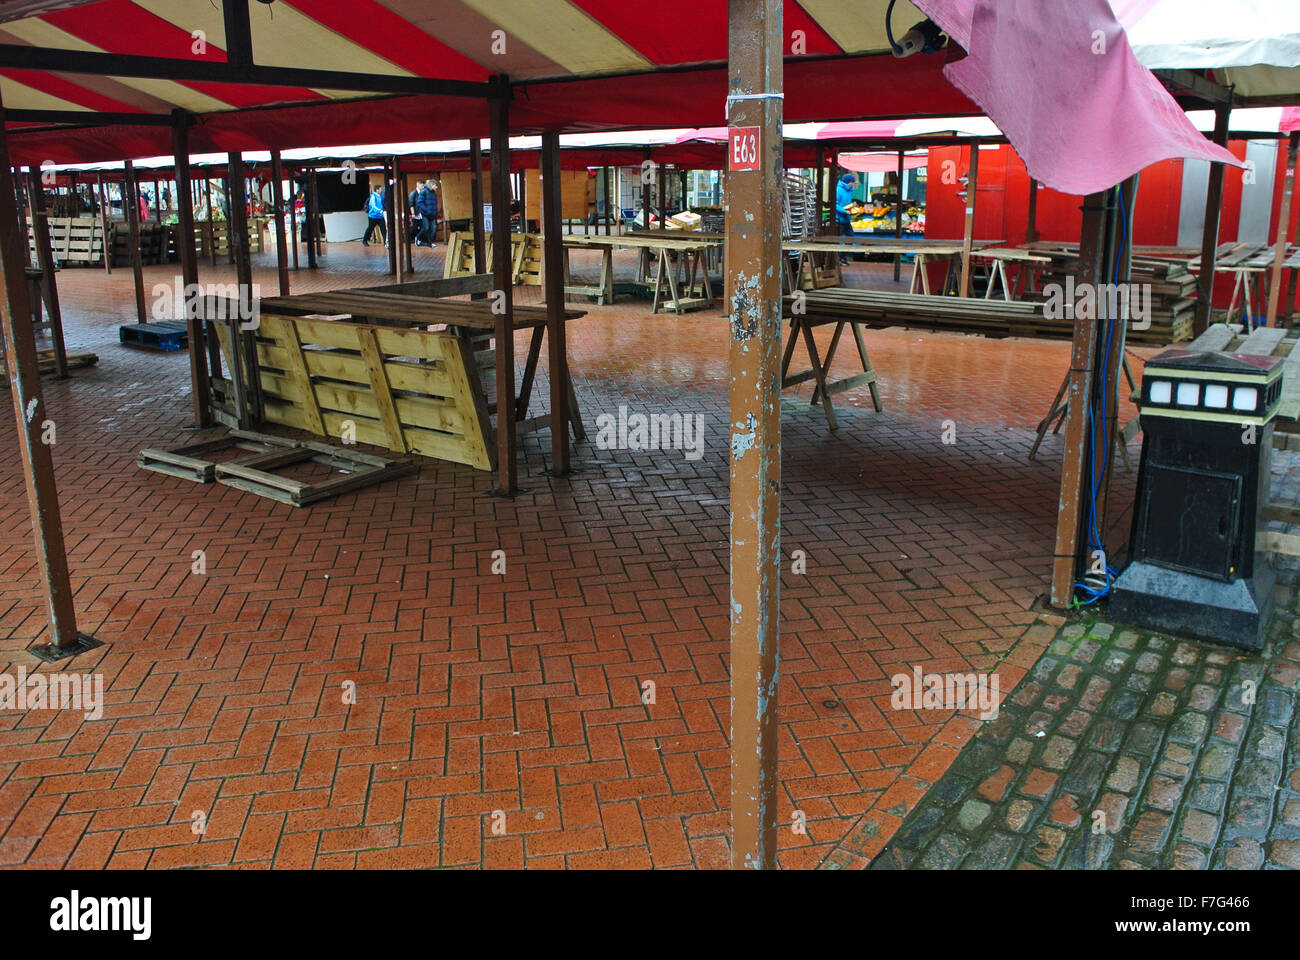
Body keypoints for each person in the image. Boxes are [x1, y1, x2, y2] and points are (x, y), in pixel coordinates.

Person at [835, 172, 858, 265]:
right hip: (839, 219)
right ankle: (837, 259)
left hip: (846, 219)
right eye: (853, 182)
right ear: (849, 182)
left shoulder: (849, 191)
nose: (854, 184)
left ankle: (841, 257)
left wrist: (852, 209)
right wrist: (845, 211)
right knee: (836, 241)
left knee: (850, 239)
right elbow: (835, 204)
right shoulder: (838, 190)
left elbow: (847, 204)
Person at [413, 179, 439, 246]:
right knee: (426, 228)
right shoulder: (423, 192)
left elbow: (435, 203)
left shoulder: (434, 193)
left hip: (432, 214)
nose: (437, 187)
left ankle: (431, 243)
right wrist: (426, 210)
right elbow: (420, 202)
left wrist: (436, 211)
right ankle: (418, 238)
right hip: (425, 214)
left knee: (433, 228)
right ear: (431, 185)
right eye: (436, 185)